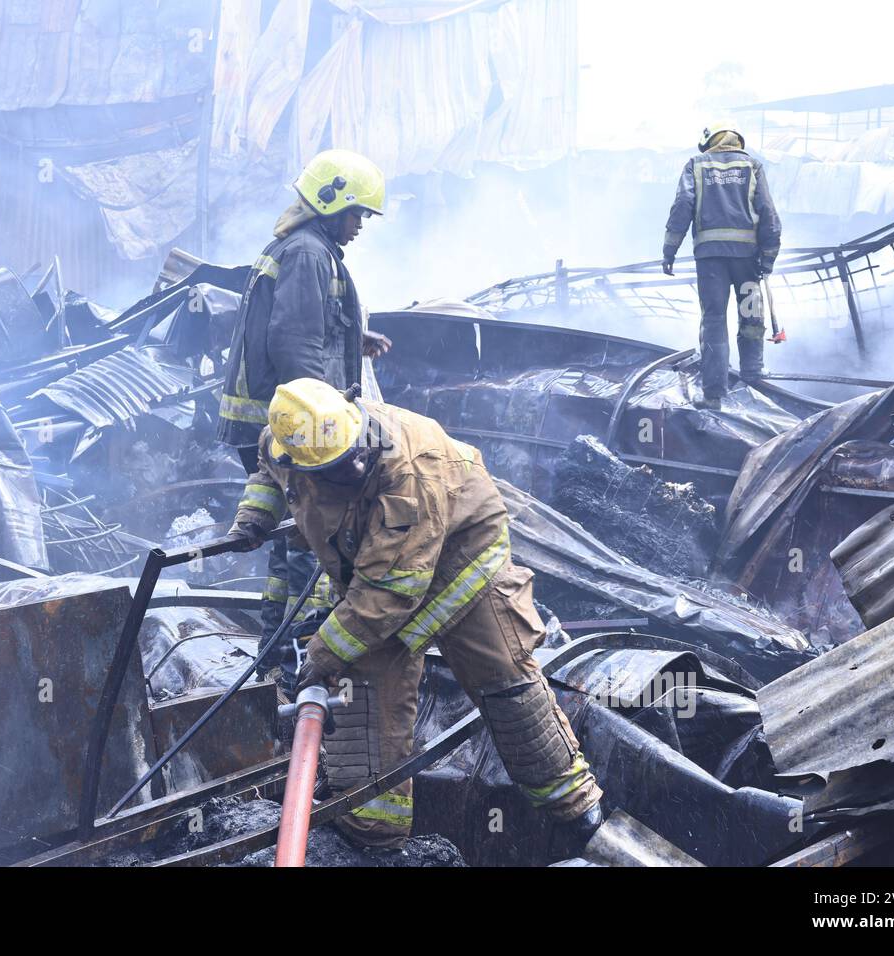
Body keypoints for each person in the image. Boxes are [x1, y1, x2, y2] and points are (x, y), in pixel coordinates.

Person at [229, 378, 604, 853]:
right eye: (340, 466)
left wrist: (324, 650)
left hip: (458, 564)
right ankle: (373, 837)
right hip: (375, 577)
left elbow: (391, 593)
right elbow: (269, 473)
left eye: (355, 454)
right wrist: (253, 518)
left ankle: (575, 813)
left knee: (505, 683)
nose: (357, 465)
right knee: (366, 708)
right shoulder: (289, 441)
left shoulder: (409, 474)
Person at [217, 149, 393, 688]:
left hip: (280, 422)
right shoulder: (308, 254)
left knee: (290, 542)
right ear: (330, 202)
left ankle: (279, 651)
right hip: (290, 426)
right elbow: (293, 344)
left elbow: (305, 322)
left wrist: (351, 338)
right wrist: (327, 430)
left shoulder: (307, 249)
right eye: (356, 212)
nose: (360, 224)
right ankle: (299, 654)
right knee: (309, 540)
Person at [662, 122, 782, 410]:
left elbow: (682, 206)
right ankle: (753, 372)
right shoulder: (752, 166)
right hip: (748, 258)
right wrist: (768, 256)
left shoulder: (696, 165)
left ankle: (714, 394)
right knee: (751, 314)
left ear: (709, 143)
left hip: (710, 258)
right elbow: (768, 212)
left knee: (714, 321)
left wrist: (669, 249)